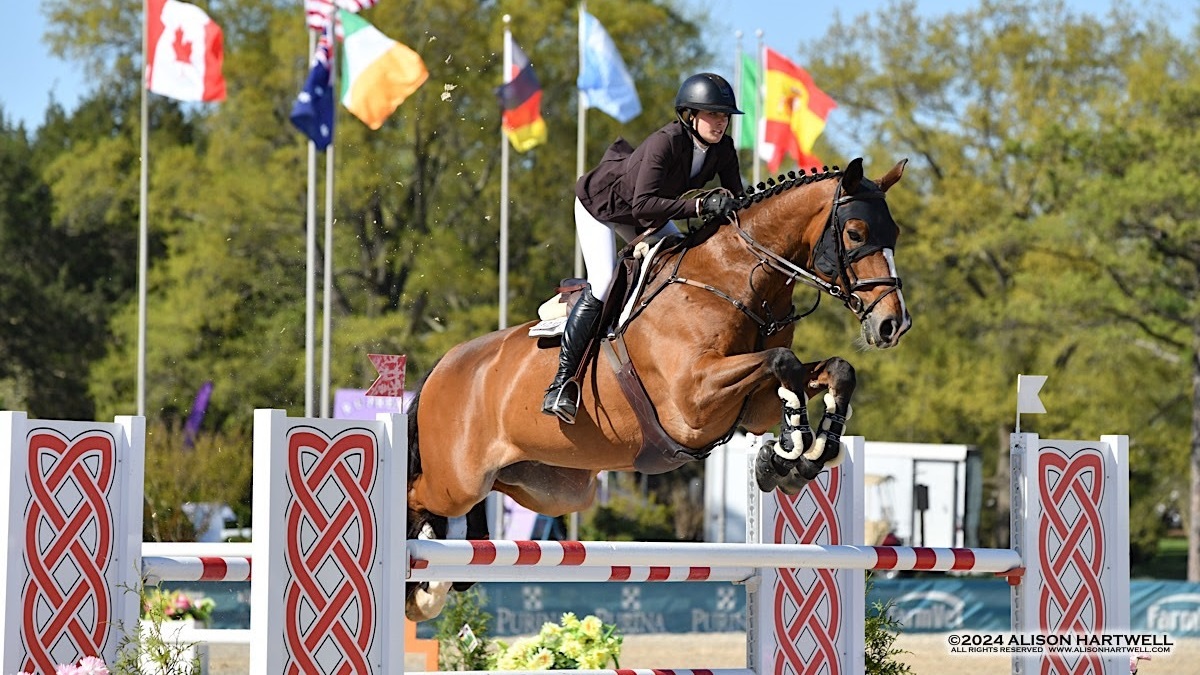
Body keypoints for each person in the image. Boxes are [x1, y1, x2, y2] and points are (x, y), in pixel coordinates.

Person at [542, 72, 746, 424]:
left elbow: (737, 198)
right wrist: (700, 207)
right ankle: (561, 383)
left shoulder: (722, 150)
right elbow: (643, 207)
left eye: (724, 116)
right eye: (713, 114)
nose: (720, 122)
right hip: (602, 207)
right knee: (604, 279)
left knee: (680, 262)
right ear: (690, 115)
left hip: (647, 213)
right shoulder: (665, 143)